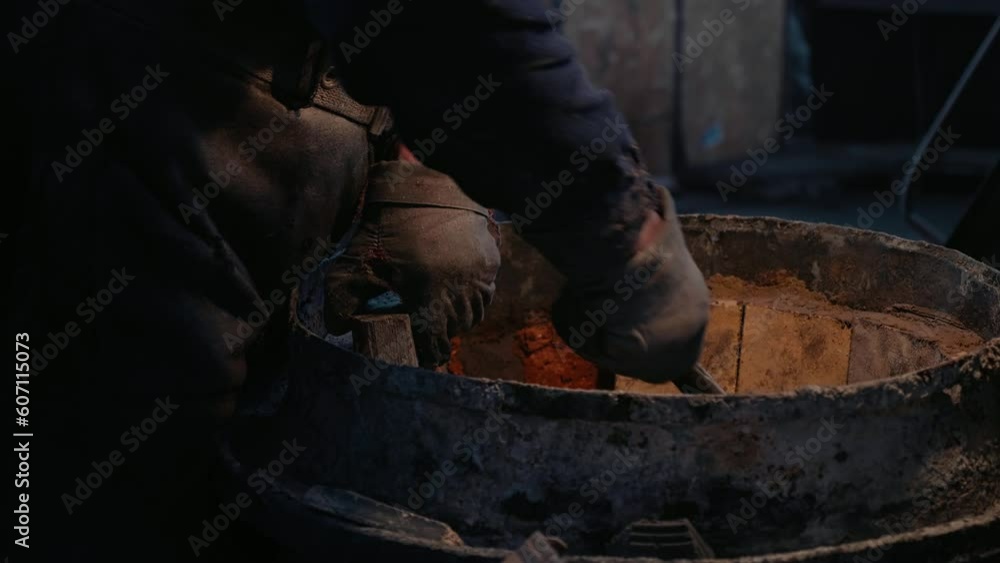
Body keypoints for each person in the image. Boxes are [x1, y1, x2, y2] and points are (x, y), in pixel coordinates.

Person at [15, 0, 708, 560]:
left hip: (285, 102)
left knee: (260, 442)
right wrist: (621, 228)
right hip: (117, 100)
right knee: (133, 479)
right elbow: (454, 22)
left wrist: (417, 169)